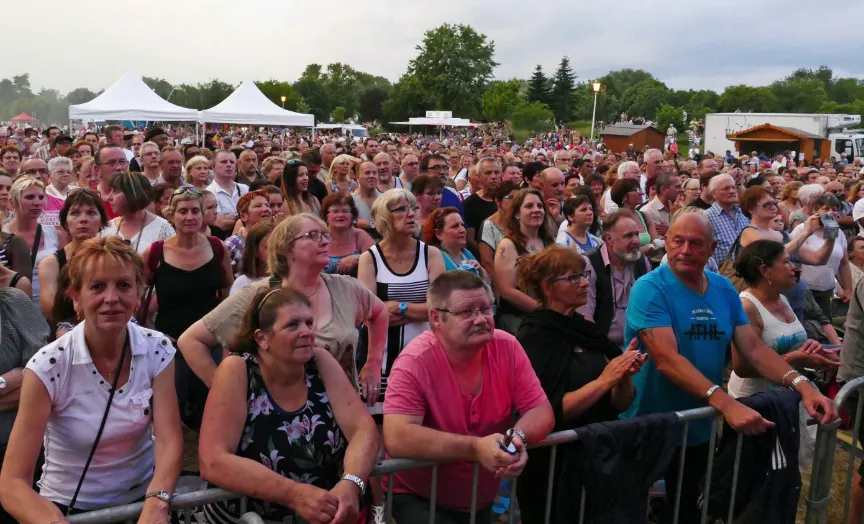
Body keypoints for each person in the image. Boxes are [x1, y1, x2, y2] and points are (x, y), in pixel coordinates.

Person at [622, 212, 837, 523]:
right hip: (648, 423)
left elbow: (753, 347)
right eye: (677, 241)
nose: (685, 250)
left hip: (697, 425)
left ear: (713, 248)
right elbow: (666, 359)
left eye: (696, 244)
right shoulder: (649, 287)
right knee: (634, 512)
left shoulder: (723, 289)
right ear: (665, 243)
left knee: (687, 511)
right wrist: (727, 404)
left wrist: (801, 385)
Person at [0, 237, 183, 520]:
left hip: (143, 500)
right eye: (97, 286)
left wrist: (157, 504)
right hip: (68, 509)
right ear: (76, 298)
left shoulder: (156, 348)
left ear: (138, 295)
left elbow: (169, 439)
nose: (112, 298)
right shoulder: (48, 366)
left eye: (123, 285)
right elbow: (12, 483)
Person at [383, 270, 554, 523]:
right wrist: (475, 448)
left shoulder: (507, 346)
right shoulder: (414, 361)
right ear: (436, 318)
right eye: (466, 312)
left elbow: (541, 411)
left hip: (479, 498)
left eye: (486, 308)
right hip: (418, 498)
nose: (481, 319)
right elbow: (398, 437)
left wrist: (516, 438)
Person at [198, 287, 379, 524]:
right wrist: (294, 494)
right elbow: (213, 461)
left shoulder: (320, 361)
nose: (306, 332)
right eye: (292, 325)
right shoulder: (237, 370)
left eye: (309, 322)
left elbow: (363, 429)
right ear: (262, 338)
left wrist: (351, 483)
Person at [179, 214, 388, 406]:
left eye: (325, 235)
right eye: (312, 235)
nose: (325, 241)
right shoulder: (257, 295)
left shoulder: (346, 287)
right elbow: (190, 341)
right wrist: (225, 393)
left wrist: (373, 363)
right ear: (286, 249)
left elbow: (380, 313)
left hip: (345, 414)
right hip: (281, 424)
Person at [516, 247, 646, 523]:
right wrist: (604, 380)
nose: (585, 282)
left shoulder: (586, 329)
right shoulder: (535, 336)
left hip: (596, 460)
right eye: (574, 278)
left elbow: (620, 403)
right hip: (555, 469)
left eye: (583, 275)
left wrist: (623, 376)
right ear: (548, 287)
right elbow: (549, 410)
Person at [143, 187, 233, 426]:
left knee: (212, 410)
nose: (189, 217)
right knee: (169, 413)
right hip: (169, 345)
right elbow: (137, 298)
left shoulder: (216, 247)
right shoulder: (155, 252)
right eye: (183, 211)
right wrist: (152, 335)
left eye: (195, 211)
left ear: (203, 214)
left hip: (209, 342)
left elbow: (227, 295)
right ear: (171, 215)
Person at [358, 189, 445, 410]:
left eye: (413, 208)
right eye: (401, 209)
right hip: (382, 359)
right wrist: (419, 310)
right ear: (384, 217)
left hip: (427, 356)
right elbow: (368, 315)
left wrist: (399, 307)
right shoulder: (370, 258)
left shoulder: (431, 254)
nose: (411, 214)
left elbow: (440, 310)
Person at [38, 189, 107, 320]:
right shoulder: (50, 264)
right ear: (65, 223)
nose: (83, 219)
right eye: (75, 213)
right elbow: (50, 309)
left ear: (102, 222)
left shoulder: (115, 258)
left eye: (91, 213)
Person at [493, 188, 556, 334]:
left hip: (549, 318)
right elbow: (506, 291)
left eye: (540, 206)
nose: (536, 210)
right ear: (516, 214)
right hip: (521, 322)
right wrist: (544, 311)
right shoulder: (508, 245)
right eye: (529, 206)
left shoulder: (548, 242)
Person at [791, 193, 853, 316]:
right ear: (815, 210)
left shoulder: (839, 233)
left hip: (827, 289)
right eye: (826, 209)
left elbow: (844, 264)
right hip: (805, 288)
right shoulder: (802, 230)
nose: (831, 212)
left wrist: (848, 289)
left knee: (826, 324)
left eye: (834, 209)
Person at [3, 176, 63, 302]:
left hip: (50, 309)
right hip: (14, 308)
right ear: (13, 201)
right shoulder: (3, 235)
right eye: (29, 197)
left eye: (41, 197)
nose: (37, 202)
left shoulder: (55, 234)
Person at [103, 172, 175, 254]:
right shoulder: (107, 228)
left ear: (134, 194)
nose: (109, 197)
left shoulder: (163, 228)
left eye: (116, 191)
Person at [423, 206, 489, 281]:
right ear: (438, 234)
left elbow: (486, 283)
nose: (462, 230)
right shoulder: (435, 257)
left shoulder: (466, 253)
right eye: (455, 226)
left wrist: (480, 270)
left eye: (462, 225)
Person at [321, 192, 374, 277]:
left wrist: (357, 258)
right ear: (326, 215)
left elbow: (376, 257)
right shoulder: (319, 237)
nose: (340, 215)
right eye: (335, 211)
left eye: (345, 211)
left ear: (352, 215)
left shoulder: (360, 235)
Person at [225, 190, 272, 276]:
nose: (265, 209)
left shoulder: (277, 240)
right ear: (243, 216)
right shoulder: (232, 244)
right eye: (258, 206)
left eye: (268, 205)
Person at [706, 173, 750, 266]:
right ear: (714, 194)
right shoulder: (706, 217)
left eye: (733, 187)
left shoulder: (744, 213)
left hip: (749, 273)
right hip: (724, 275)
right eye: (726, 188)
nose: (732, 191)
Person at [477, 182, 520, 277]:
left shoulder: (520, 221)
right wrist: (501, 286)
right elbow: (487, 262)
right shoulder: (489, 225)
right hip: (499, 279)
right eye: (511, 197)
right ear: (497, 201)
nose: (515, 202)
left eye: (518, 199)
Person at [610, 178, 660, 255]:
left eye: (640, 189)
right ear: (625, 196)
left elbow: (657, 245)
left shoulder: (645, 216)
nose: (641, 193)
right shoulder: (616, 219)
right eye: (636, 190)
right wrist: (651, 246)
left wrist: (652, 246)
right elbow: (625, 252)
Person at [462, 158, 502, 251]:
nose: (493, 176)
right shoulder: (469, 204)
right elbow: (470, 240)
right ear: (478, 177)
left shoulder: (508, 199)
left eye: (497, 172)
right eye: (488, 173)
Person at [207, 150, 249, 233]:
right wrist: (243, 217)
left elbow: (255, 217)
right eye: (224, 162)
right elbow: (220, 224)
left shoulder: (245, 188)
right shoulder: (209, 192)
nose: (229, 165)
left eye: (232, 162)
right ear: (213, 167)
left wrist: (231, 217)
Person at [230, 221, 275, 296]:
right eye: (268, 247)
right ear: (255, 251)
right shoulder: (243, 282)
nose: (275, 251)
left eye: (277, 246)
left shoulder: (287, 279)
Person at [641, 173, 681, 237]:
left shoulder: (680, 207)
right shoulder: (648, 211)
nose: (682, 190)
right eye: (678, 187)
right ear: (664, 189)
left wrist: (668, 230)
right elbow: (658, 243)